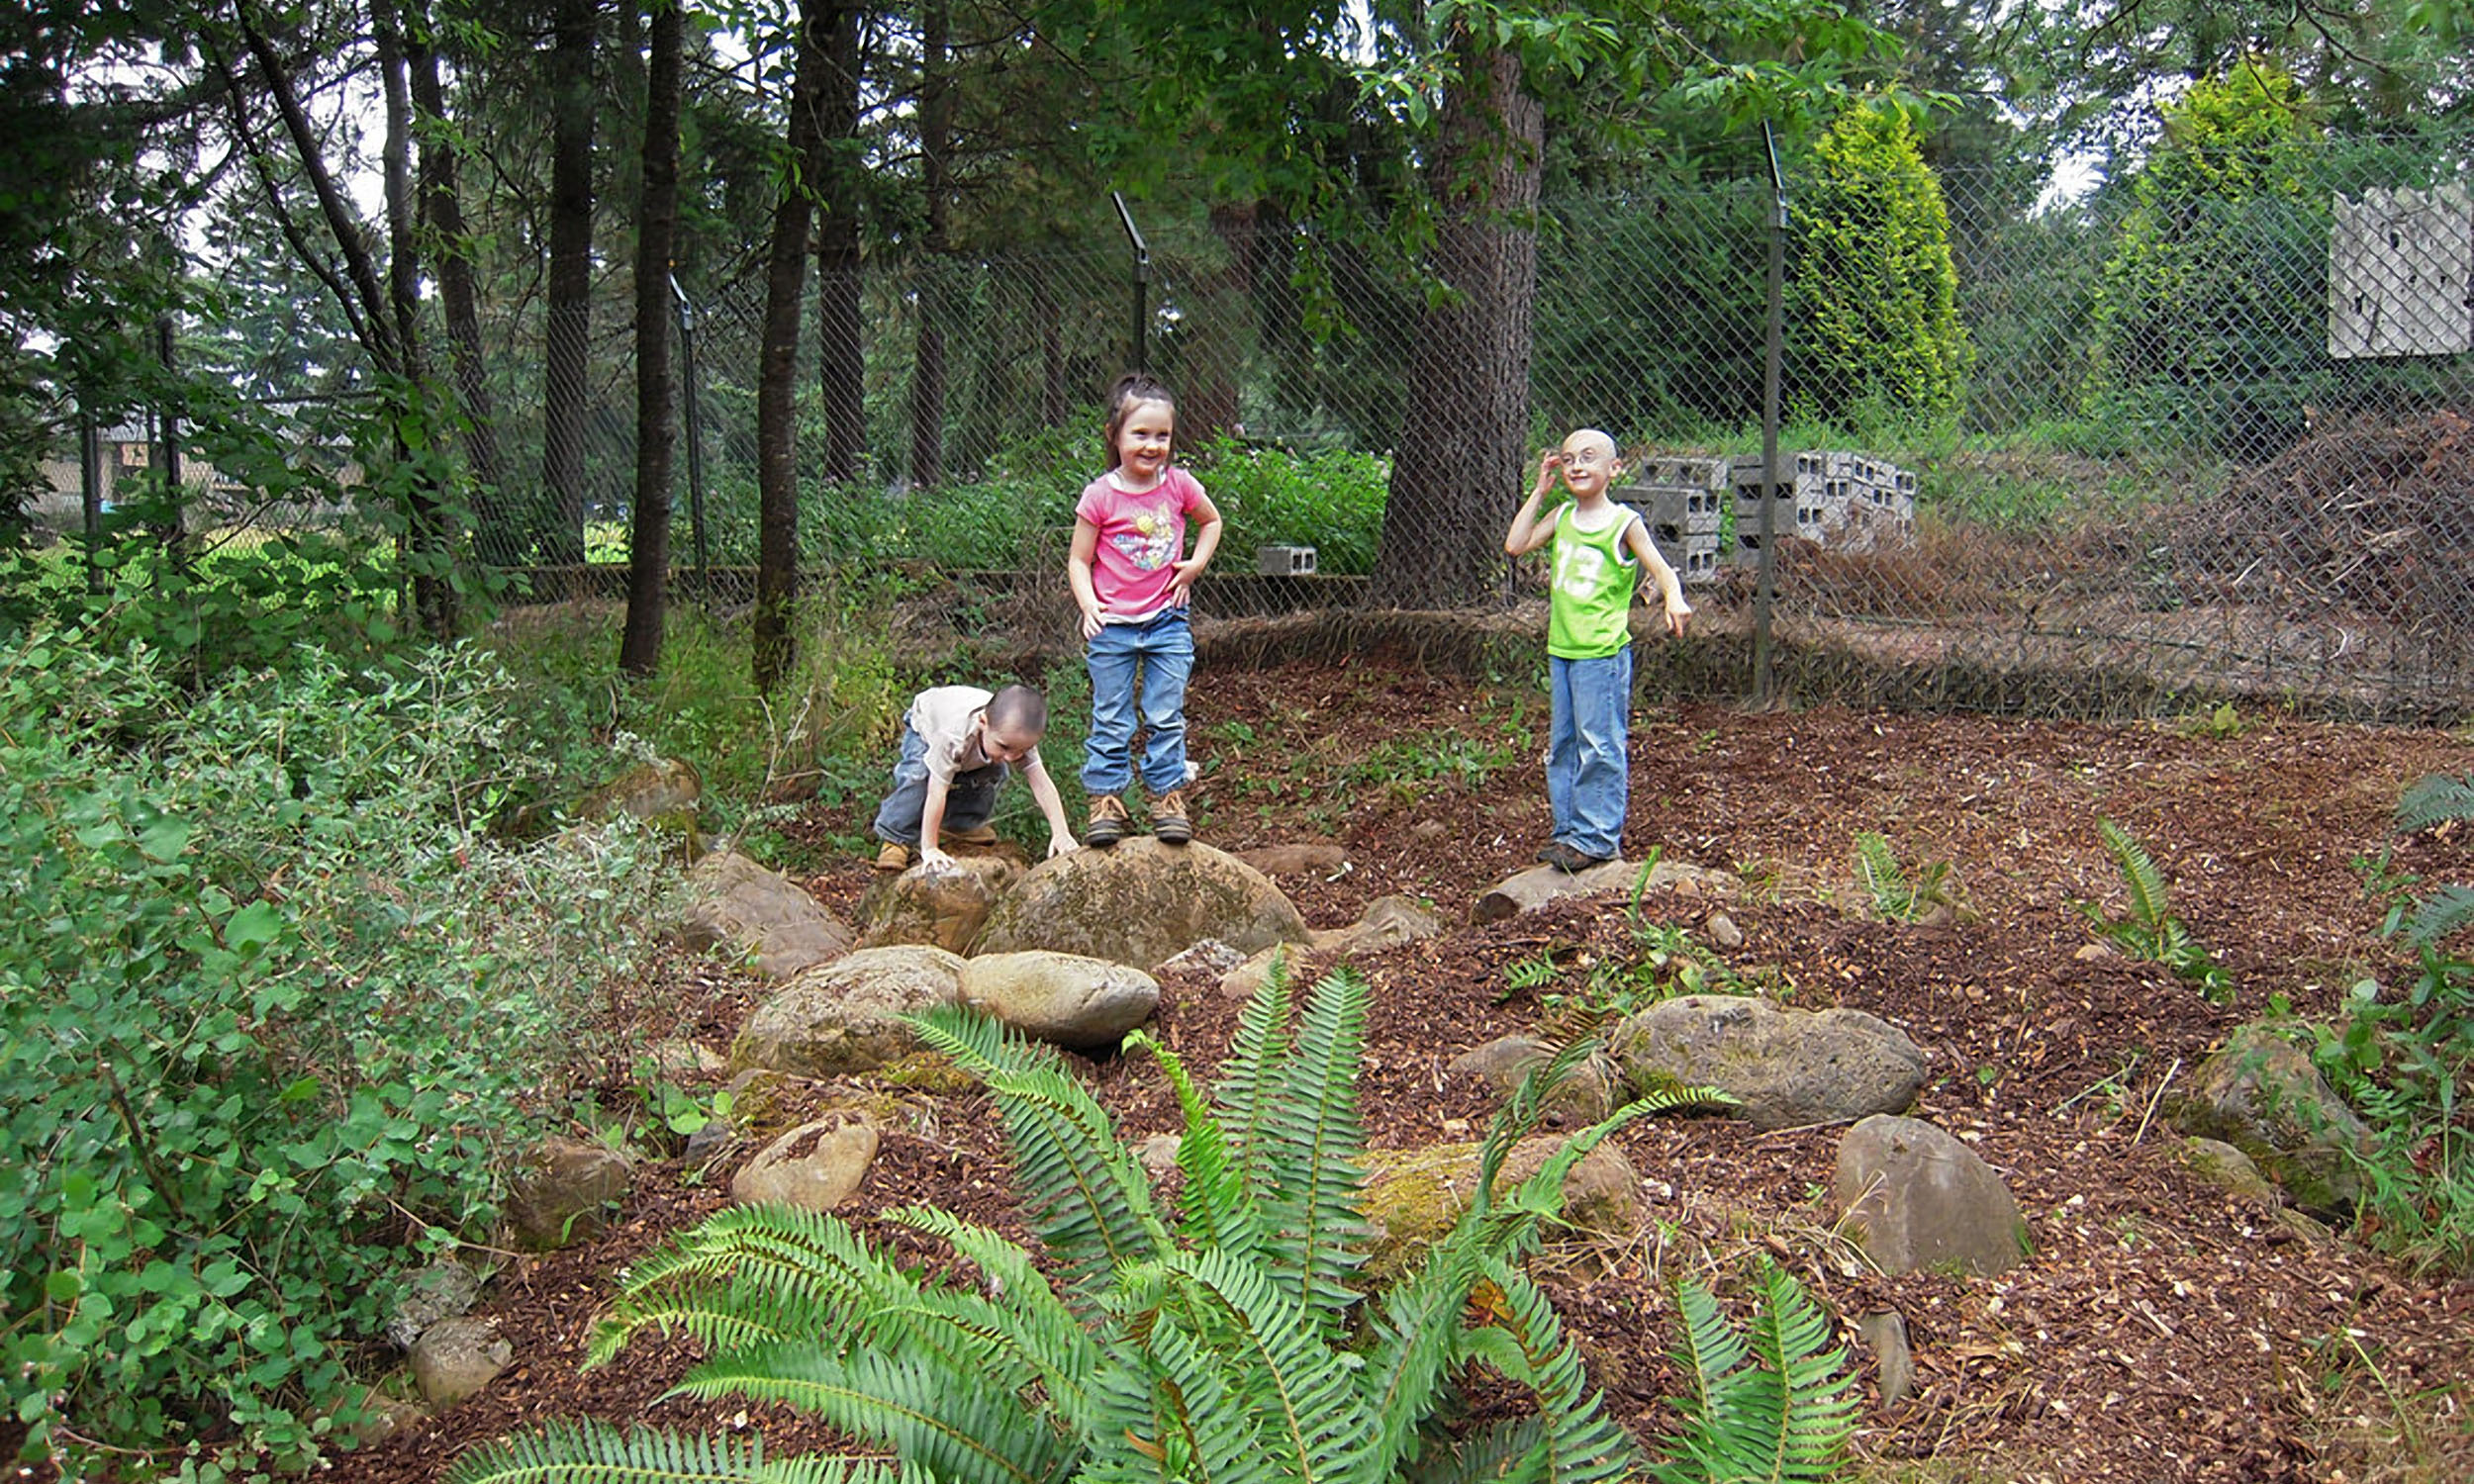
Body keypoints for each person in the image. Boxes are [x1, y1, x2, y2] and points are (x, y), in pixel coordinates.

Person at [1502, 427, 1692, 873]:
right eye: (1568, 460)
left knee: (1599, 744)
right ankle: (1568, 832)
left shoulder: (1623, 523)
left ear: (1614, 469)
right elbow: (1515, 545)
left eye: (1588, 457)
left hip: (1601, 654)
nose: (1576, 467)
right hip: (1563, 650)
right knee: (1564, 743)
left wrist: (1675, 597)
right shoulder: (1563, 515)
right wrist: (1539, 492)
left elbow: (1663, 571)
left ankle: (1598, 836)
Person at [1068, 372, 1224, 846]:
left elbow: (1211, 521)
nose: (1152, 445)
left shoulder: (1178, 486)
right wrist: (1088, 603)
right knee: (1112, 716)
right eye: (1141, 434)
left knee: (1164, 713)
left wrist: (1195, 564)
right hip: (1112, 624)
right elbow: (1079, 558)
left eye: (1163, 436)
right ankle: (1106, 802)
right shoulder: (1100, 494)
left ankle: (1166, 797)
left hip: (1167, 621)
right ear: (1114, 435)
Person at [871, 683, 1078, 872]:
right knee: (917, 779)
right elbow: (936, 791)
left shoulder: (1015, 736)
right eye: (1004, 747)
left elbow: (1041, 784)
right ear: (983, 722)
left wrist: (1061, 832)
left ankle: (960, 825)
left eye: (1022, 750)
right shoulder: (952, 737)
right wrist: (929, 848)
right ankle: (896, 838)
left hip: (972, 729)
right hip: (927, 724)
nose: (1012, 756)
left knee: (993, 772)